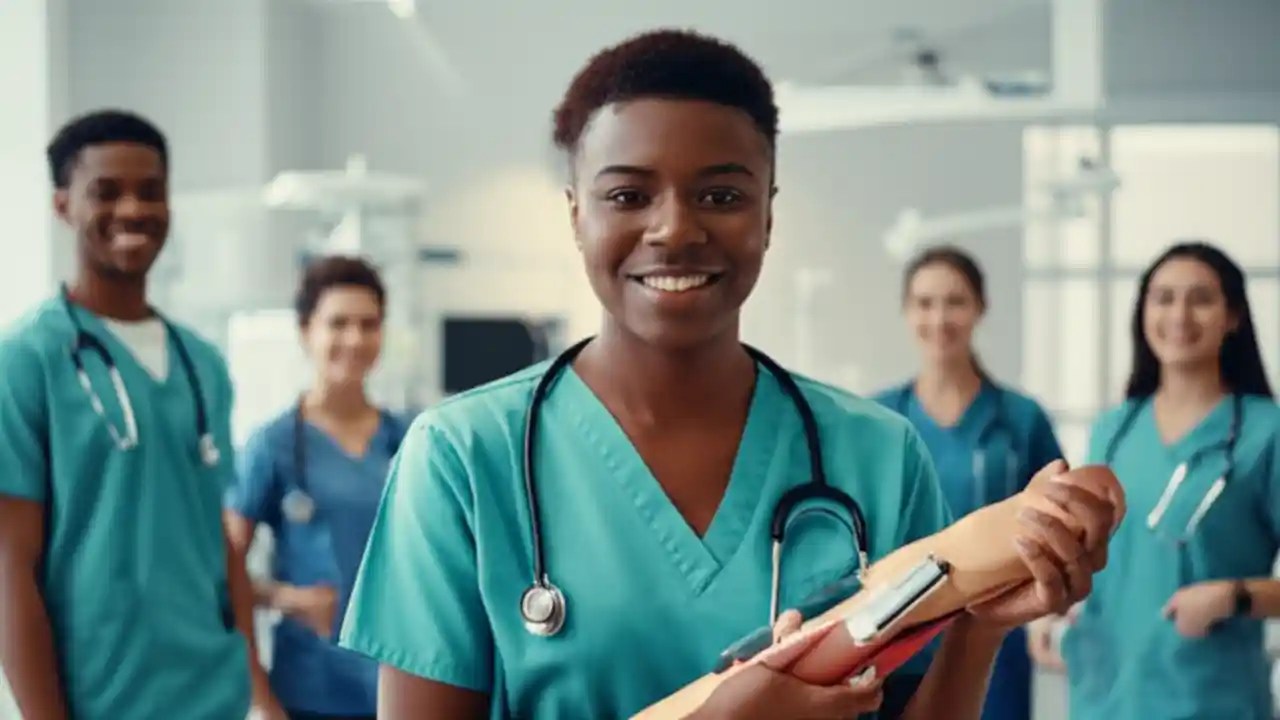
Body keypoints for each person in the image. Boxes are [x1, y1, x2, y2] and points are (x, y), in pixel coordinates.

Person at [336, 29, 1118, 720]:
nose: (675, 227)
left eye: (720, 194)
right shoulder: (462, 459)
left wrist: (976, 626)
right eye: (627, 195)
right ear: (576, 214)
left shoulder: (878, 456)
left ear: (768, 214)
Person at [0, 109, 283, 718]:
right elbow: (8, 565)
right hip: (100, 699)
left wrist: (259, 692)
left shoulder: (202, 364)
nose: (133, 210)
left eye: (150, 192)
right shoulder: (27, 360)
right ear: (62, 206)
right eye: (106, 192)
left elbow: (221, 544)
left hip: (214, 697)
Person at [1047, 241, 1280, 719]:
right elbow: (1095, 553)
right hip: (1104, 693)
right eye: (1164, 298)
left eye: (1200, 298)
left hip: (1210, 698)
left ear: (1233, 317)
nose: (1180, 314)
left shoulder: (1265, 432)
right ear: (1143, 313)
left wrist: (1234, 596)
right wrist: (1054, 612)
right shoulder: (1113, 428)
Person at [871, 245, 1065, 720]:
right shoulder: (878, 422)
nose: (940, 318)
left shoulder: (1021, 420)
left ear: (980, 308)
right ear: (906, 312)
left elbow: (1063, 525)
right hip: (896, 633)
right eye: (925, 303)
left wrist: (1055, 613)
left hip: (995, 630)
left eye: (955, 302)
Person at [225, 255, 408, 720]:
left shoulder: (409, 439)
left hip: (400, 689)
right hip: (309, 694)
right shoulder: (275, 445)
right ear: (307, 332)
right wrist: (283, 599)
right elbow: (222, 570)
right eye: (338, 323)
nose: (355, 339)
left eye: (369, 324)